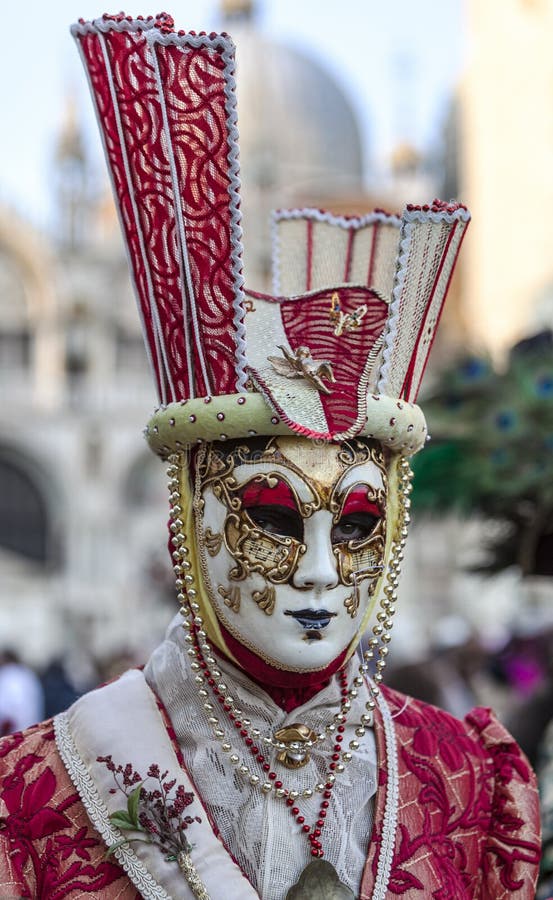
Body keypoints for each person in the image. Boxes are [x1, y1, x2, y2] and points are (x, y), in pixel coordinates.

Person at [0, 12, 541, 899]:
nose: (323, 572)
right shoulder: (40, 794)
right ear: (187, 515)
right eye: (272, 515)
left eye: (361, 522)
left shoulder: (466, 782)